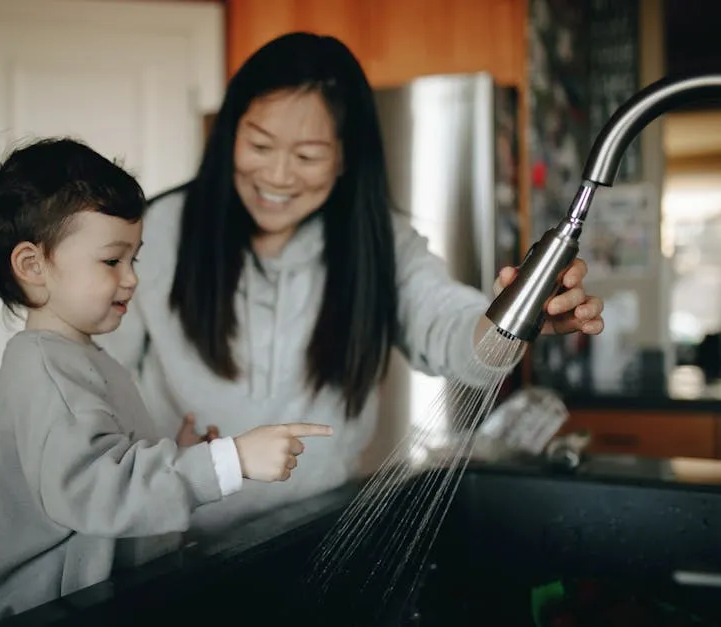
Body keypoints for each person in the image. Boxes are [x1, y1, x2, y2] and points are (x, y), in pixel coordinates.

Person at [98, 32, 606, 536]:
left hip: (312, 534)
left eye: (307, 155)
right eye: (259, 144)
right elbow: (97, 383)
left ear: (344, 158)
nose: (276, 175)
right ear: (230, 133)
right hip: (170, 545)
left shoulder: (379, 242)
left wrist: (518, 317)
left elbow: (455, 335)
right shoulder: (158, 233)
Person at [0, 137, 333, 624]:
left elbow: (104, 460)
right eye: (112, 261)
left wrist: (174, 447)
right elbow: (99, 491)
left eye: (133, 258)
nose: (132, 278)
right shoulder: (47, 371)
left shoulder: (82, 358)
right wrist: (229, 460)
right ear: (32, 266)